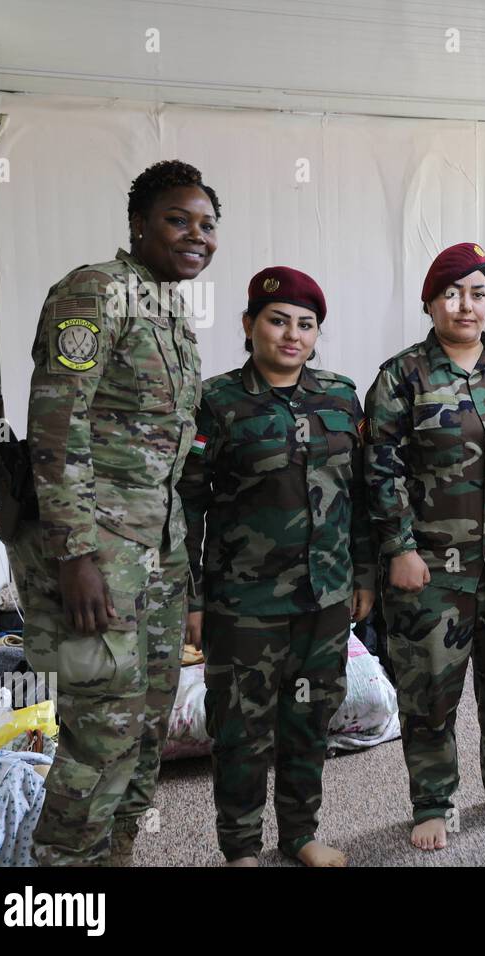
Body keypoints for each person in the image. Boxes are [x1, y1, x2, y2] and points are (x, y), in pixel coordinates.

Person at [10, 159, 218, 866]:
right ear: (138, 223)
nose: (197, 236)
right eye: (178, 219)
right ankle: (62, 881)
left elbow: (168, 463)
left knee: (144, 730)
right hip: (96, 559)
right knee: (100, 732)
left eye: (207, 225)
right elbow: (56, 428)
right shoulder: (95, 291)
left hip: (153, 563)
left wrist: (182, 573)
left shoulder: (169, 313)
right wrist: (74, 557)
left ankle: (112, 859)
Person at [366, 242, 485, 851]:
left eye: (478, 293)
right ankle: (432, 801)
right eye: (452, 293)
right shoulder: (401, 376)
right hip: (432, 570)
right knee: (429, 690)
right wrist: (398, 548)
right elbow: (380, 469)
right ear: (430, 302)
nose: (466, 305)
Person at [179, 267, 375, 867]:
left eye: (305, 324)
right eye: (277, 320)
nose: (292, 335)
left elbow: (362, 495)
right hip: (244, 602)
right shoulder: (216, 402)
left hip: (326, 598)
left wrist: (364, 574)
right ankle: (239, 848)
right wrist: (191, 599)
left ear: (317, 334)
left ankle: (300, 835)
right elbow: (186, 506)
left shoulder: (341, 397)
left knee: (310, 719)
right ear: (249, 325)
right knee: (240, 729)